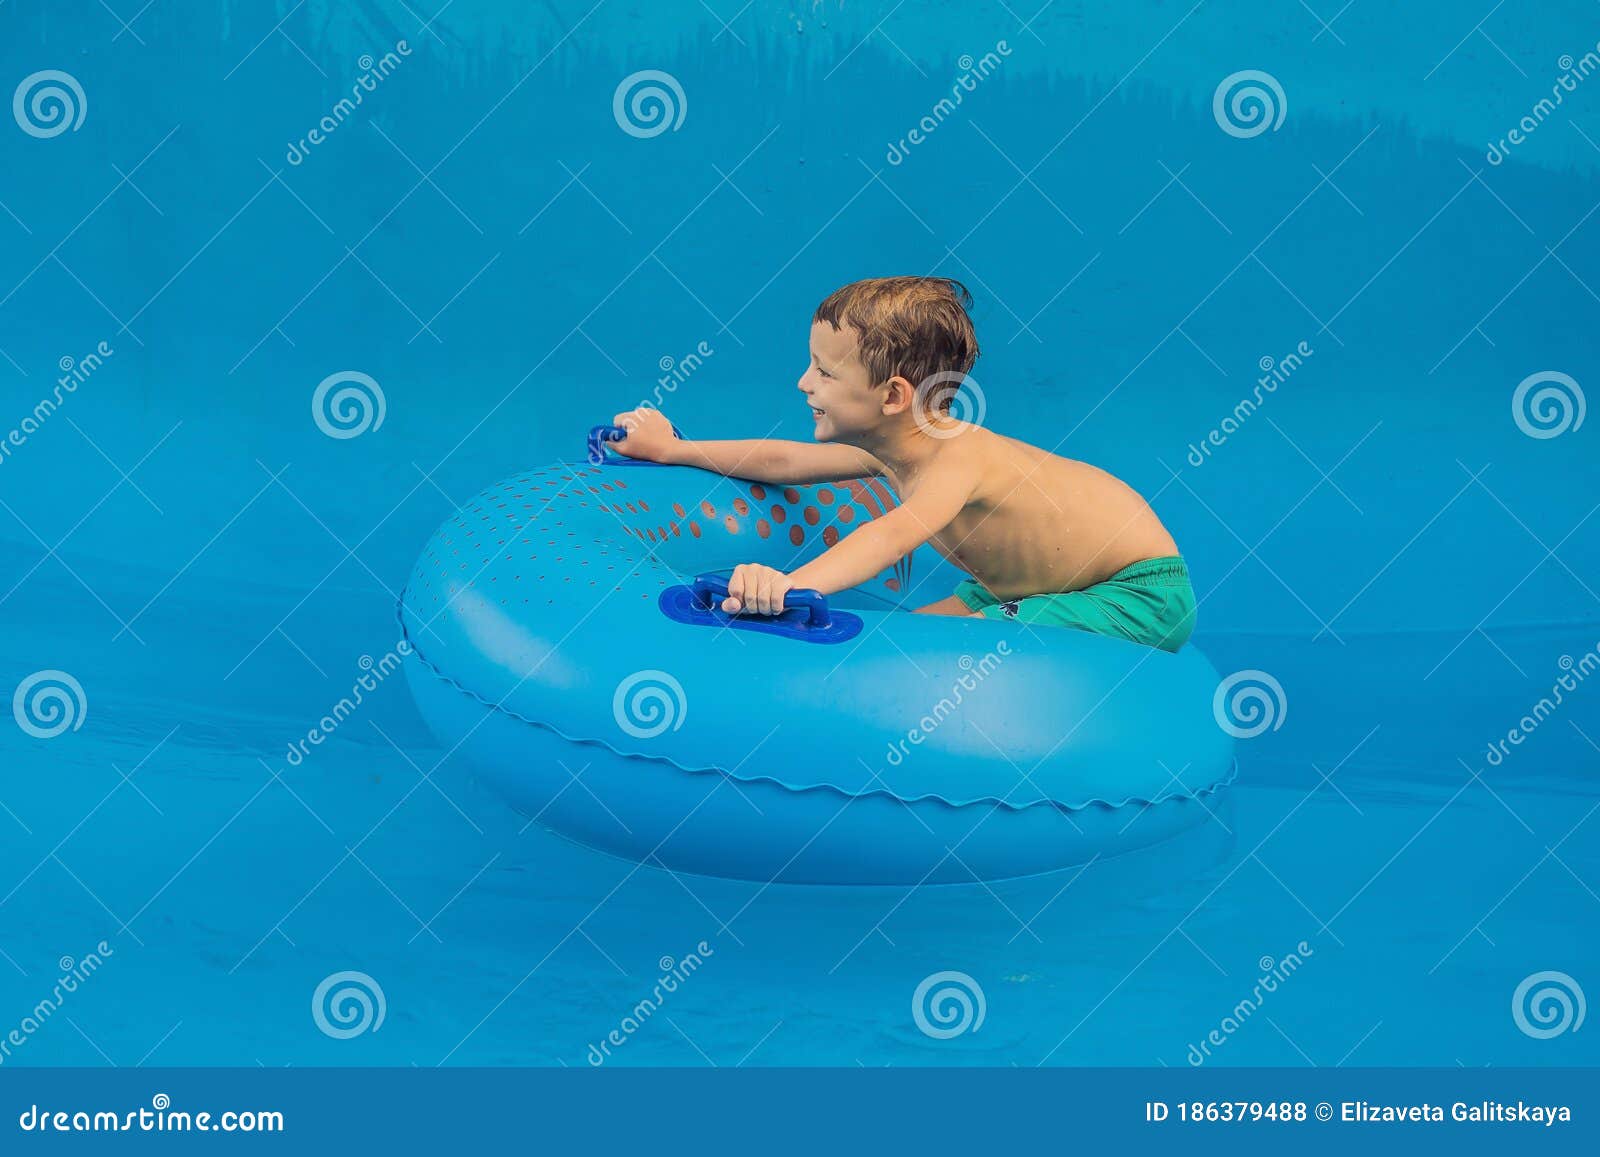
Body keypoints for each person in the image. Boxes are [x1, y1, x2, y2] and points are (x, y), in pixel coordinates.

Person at [610, 276, 1195, 652]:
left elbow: (889, 536)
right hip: (1022, 585)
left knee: (952, 650)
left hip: (1135, 592)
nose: (803, 382)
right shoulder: (893, 447)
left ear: (892, 396)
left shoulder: (956, 457)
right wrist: (674, 450)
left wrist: (790, 585)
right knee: (912, 636)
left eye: (824, 372)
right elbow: (785, 460)